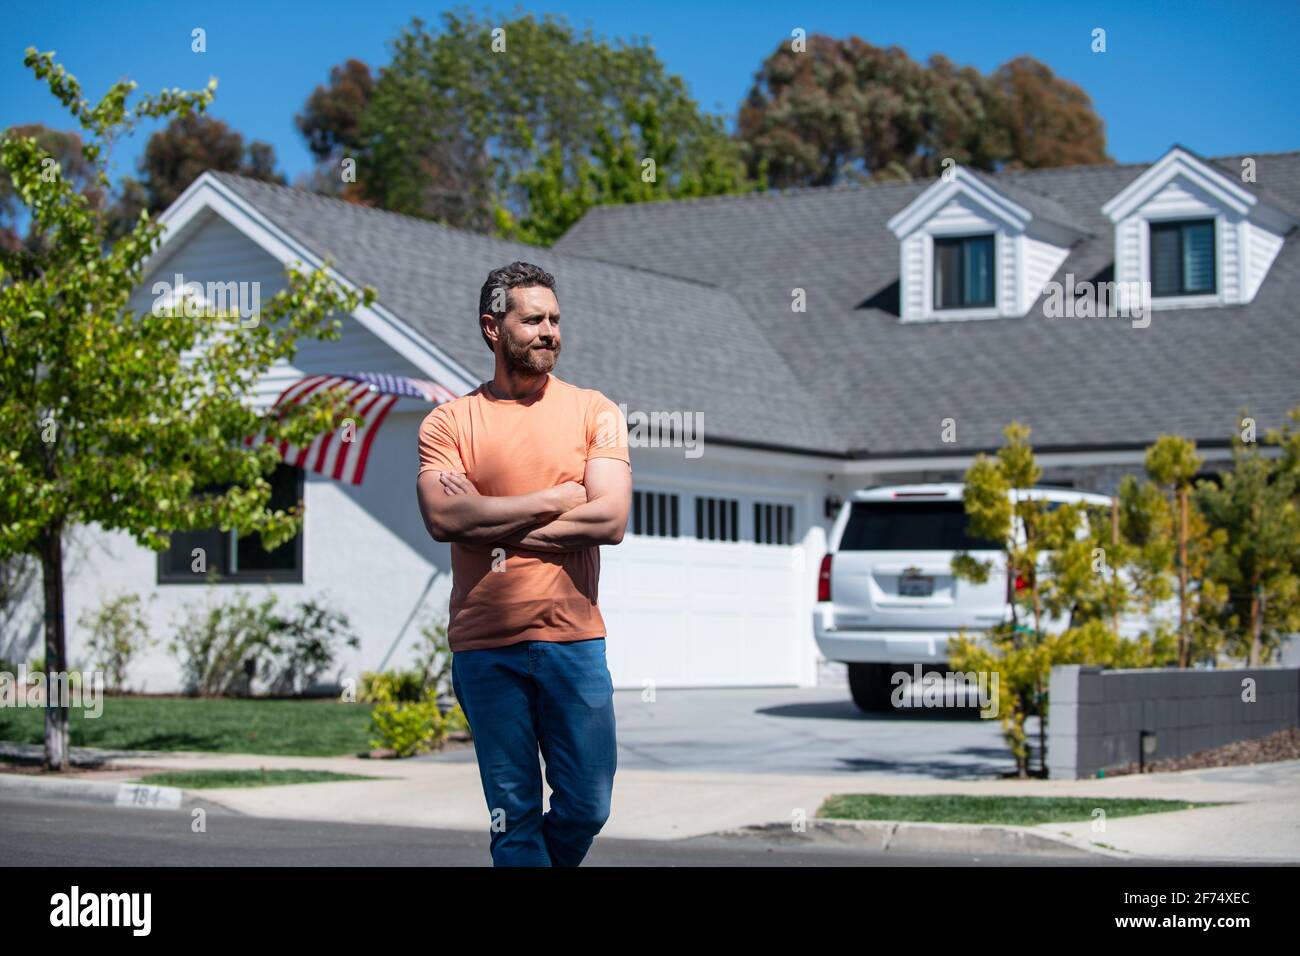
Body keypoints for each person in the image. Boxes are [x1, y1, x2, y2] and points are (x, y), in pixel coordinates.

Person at [415, 261, 632, 866]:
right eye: (532, 319)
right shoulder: (449, 422)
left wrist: (490, 523)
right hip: (486, 648)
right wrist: (556, 499)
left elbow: (609, 520)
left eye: (555, 320)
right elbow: (443, 521)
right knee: (512, 817)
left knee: (588, 803)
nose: (549, 332)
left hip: (574, 641)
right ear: (493, 328)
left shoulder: (596, 412)